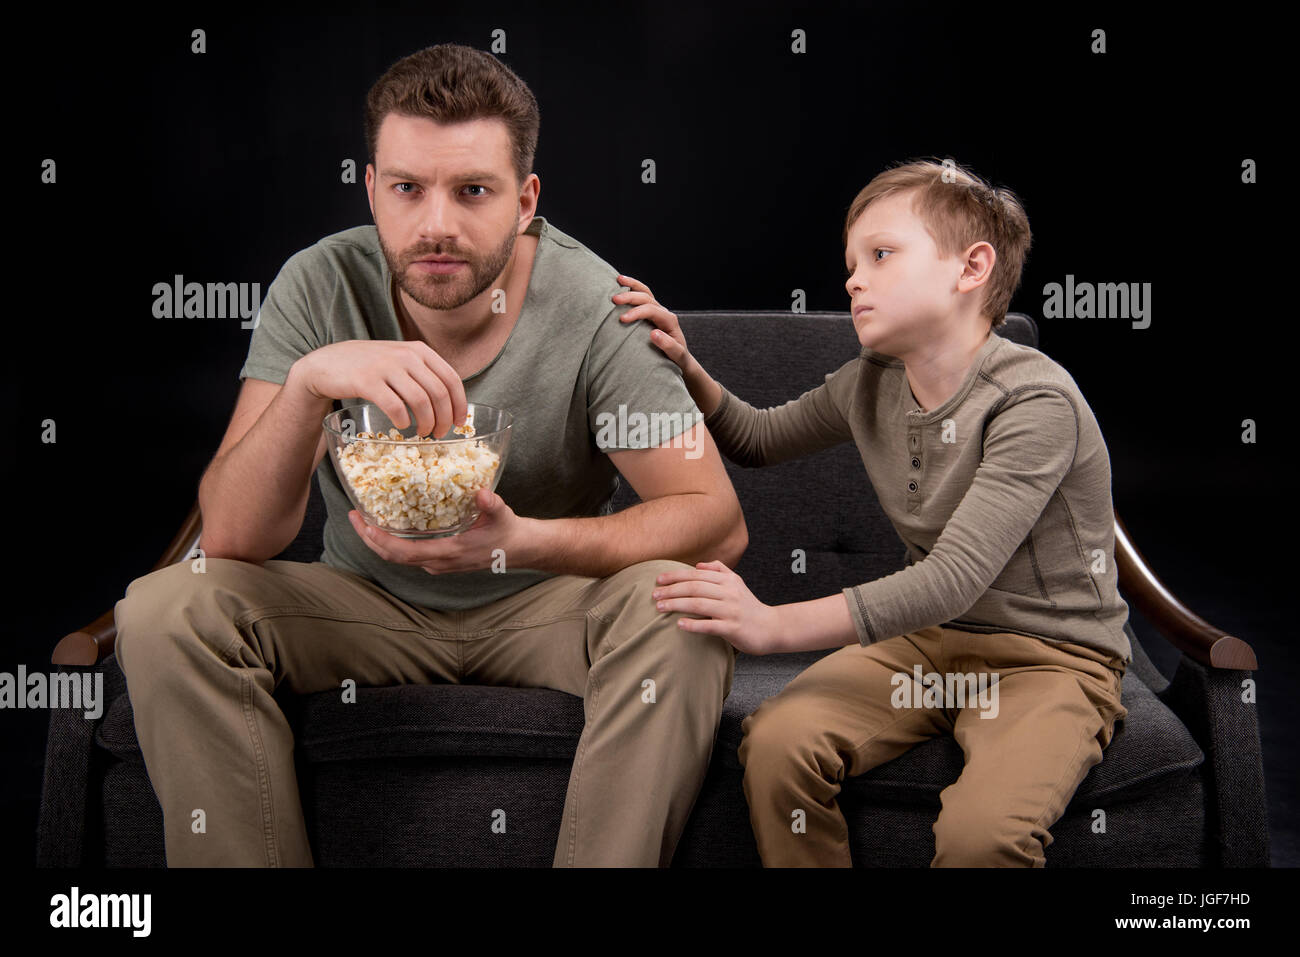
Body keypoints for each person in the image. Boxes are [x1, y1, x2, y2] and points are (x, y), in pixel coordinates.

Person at [112, 43, 747, 868]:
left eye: (472, 191)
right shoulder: (317, 283)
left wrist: (521, 542)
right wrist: (308, 385)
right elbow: (233, 536)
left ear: (525, 201)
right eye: (408, 189)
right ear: (373, 189)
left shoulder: (596, 305)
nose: (436, 224)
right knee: (166, 606)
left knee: (688, 611)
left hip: (550, 610)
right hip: (361, 607)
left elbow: (716, 522)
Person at [617, 158, 1132, 866]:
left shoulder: (1034, 402)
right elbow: (758, 438)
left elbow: (954, 577)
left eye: (882, 255)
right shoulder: (874, 379)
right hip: (929, 642)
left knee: (981, 838)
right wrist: (686, 367)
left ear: (971, 267)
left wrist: (771, 624)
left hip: (1050, 659)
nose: (854, 278)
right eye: (851, 262)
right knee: (775, 744)